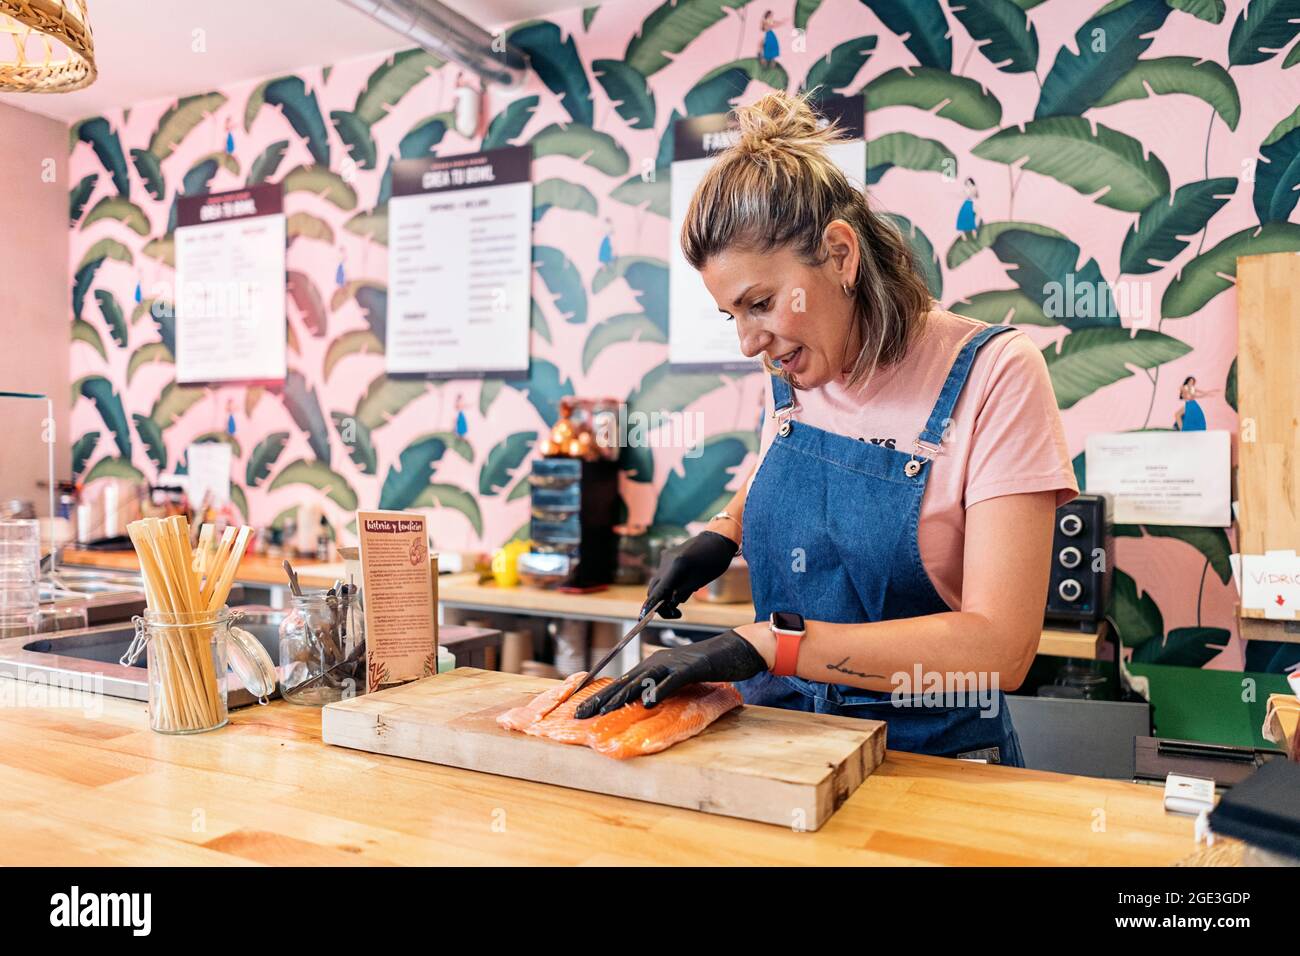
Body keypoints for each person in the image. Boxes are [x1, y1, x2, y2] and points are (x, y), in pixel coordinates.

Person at [575, 92, 1078, 766]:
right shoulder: (793, 365)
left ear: (840, 255)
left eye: (760, 303)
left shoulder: (997, 376)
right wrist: (724, 532)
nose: (751, 342)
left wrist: (770, 643)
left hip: (929, 762)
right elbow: (789, 469)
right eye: (733, 316)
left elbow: (1000, 649)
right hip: (780, 745)